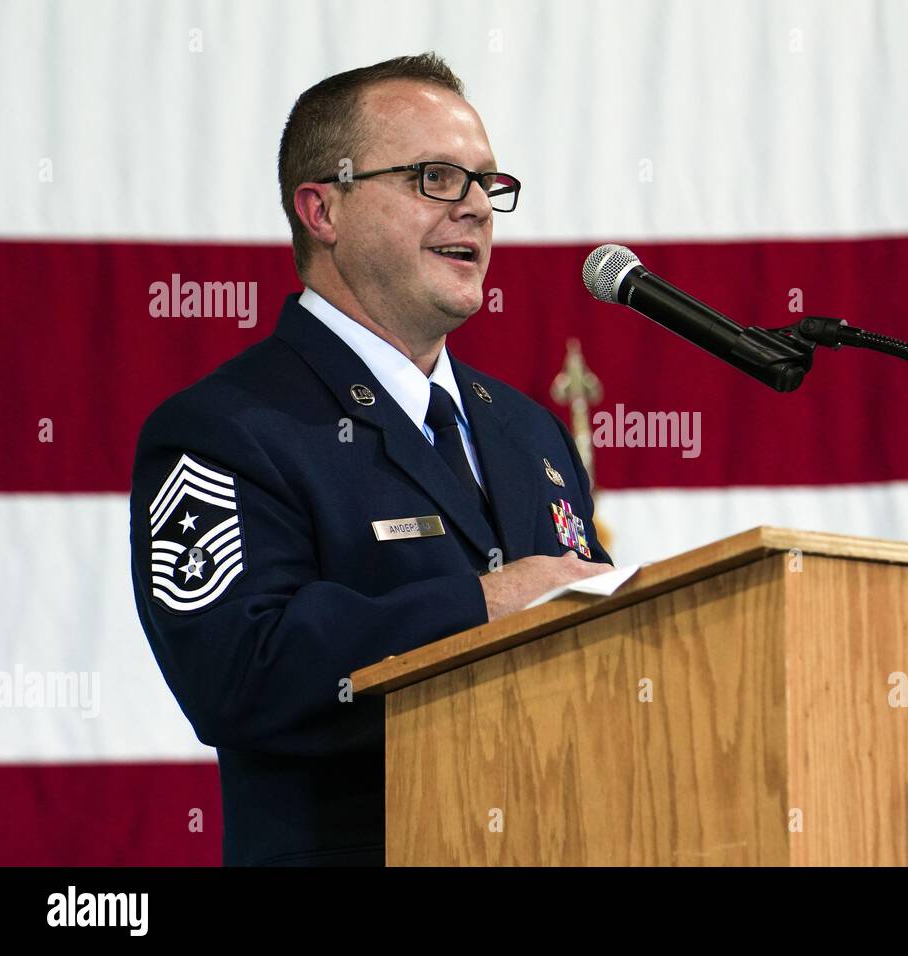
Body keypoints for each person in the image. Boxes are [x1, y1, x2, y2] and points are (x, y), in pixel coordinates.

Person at [129, 53, 611, 867]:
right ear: (322, 209)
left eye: (487, 186)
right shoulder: (223, 428)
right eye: (435, 178)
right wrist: (484, 604)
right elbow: (239, 674)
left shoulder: (531, 434)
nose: (477, 211)